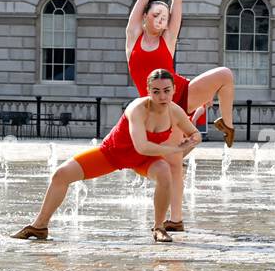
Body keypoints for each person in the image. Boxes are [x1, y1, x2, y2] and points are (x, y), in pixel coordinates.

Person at [12, 70, 200, 243]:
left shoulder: (175, 112)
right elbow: (141, 146)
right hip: (112, 154)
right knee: (60, 174)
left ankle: (159, 227)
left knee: (165, 172)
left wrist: (188, 144)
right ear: (148, 91)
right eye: (156, 91)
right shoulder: (137, 108)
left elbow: (195, 135)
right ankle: (39, 226)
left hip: (146, 160)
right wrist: (174, 150)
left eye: (167, 91)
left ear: (174, 89)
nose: (162, 96)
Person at [126, 0, 236, 146]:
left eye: (165, 17)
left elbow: (177, 2)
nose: (161, 19)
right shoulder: (133, 36)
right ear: (144, 16)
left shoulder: (167, 39)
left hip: (180, 96)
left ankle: (227, 125)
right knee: (173, 158)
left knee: (225, 75)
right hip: (154, 104)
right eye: (156, 15)